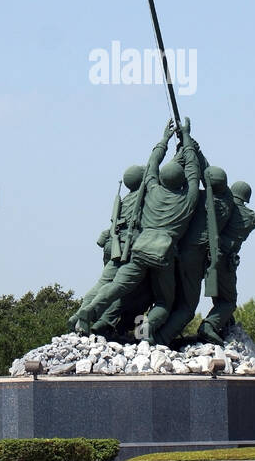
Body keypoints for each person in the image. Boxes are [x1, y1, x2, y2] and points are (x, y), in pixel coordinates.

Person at [82, 119, 201, 338]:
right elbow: (194, 172)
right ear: (182, 181)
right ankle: (143, 335)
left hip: (139, 249)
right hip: (163, 255)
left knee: (117, 286)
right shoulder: (188, 200)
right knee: (164, 302)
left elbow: (153, 164)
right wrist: (187, 140)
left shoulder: (151, 190)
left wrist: (164, 139)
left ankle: (90, 310)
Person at [154, 164, 233, 348]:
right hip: (194, 258)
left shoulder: (195, 199)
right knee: (187, 308)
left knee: (171, 302)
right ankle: (160, 340)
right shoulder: (225, 204)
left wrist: (189, 149)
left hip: (174, 253)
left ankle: (153, 337)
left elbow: (195, 178)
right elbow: (213, 180)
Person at [67, 162, 147, 334]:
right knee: (120, 285)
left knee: (102, 283)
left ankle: (78, 315)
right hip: (129, 246)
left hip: (115, 245)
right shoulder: (143, 197)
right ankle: (90, 313)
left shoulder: (125, 200)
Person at [198, 178, 255, 343]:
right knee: (228, 301)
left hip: (204, 256)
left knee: (216, 295)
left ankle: (223, 322)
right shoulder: (251, 217)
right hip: (224, 261)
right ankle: (209, 325)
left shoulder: (220, 207)